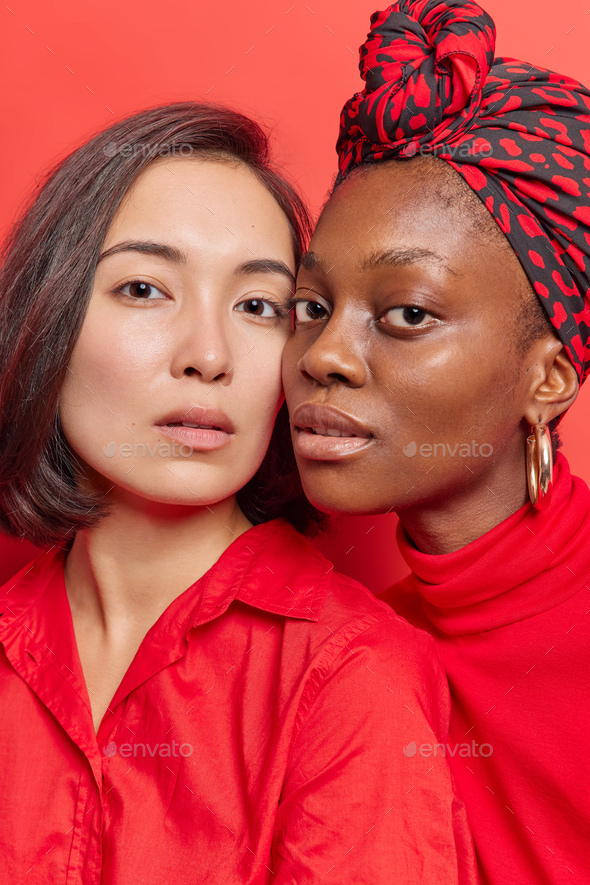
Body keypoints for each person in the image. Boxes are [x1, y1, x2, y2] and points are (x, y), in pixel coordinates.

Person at [0, 102, 475, 883]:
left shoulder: (352, 675)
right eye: (146, 288)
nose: (210, 355)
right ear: (48, 315)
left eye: (259, 306)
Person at [282, 1, 590, 883]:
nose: (324, 356)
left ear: (549, 377)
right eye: (310, 306)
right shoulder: (358, 654)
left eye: (406, 313)